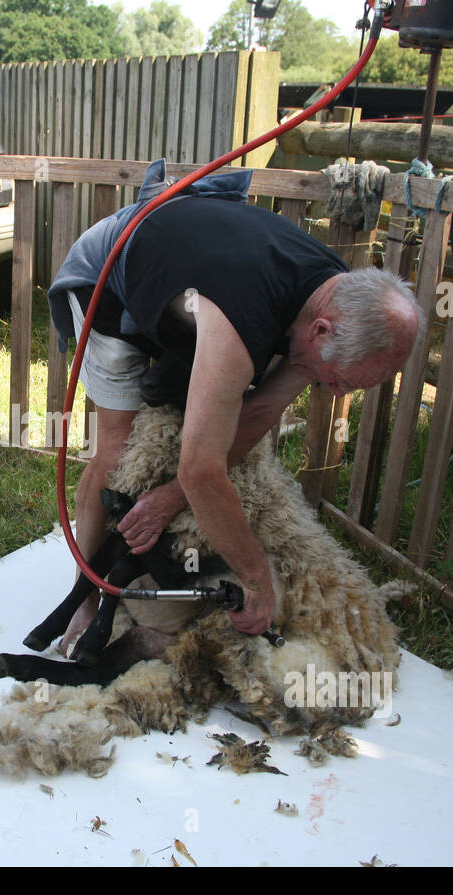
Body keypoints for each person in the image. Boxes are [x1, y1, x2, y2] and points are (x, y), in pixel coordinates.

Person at [48, 160, 421, 650]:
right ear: (322, 331)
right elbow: (203, 469)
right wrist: (256, 578)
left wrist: (172, 497)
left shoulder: (334, 295)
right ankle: (85, 599)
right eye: (338, 380)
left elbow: (261, 413)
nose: (335, 394)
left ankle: (147, 569)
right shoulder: (242, 320)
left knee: (192, 431)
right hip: (111, 269)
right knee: (117, 448)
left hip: (190, 282)